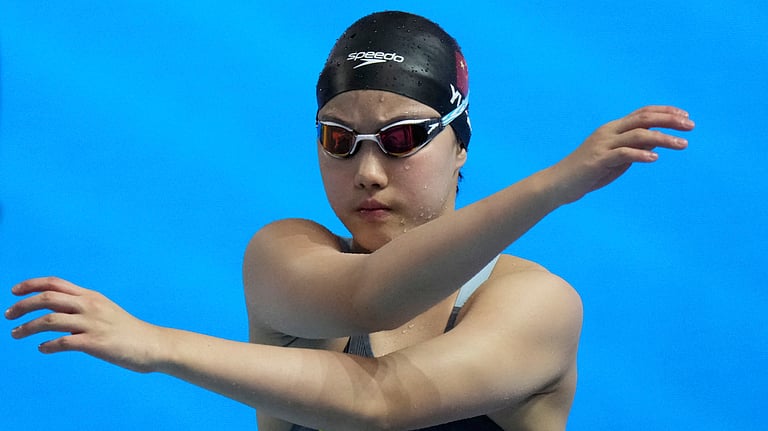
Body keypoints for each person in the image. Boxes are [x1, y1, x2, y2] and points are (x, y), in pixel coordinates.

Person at [5, 11, 694, 431]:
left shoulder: (536, 303)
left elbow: (381, 403)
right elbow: (368, 295)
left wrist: (160, 346)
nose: (367, 172)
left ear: (461, 147)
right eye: (339, 140)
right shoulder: (285, 254)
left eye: (401, 140)